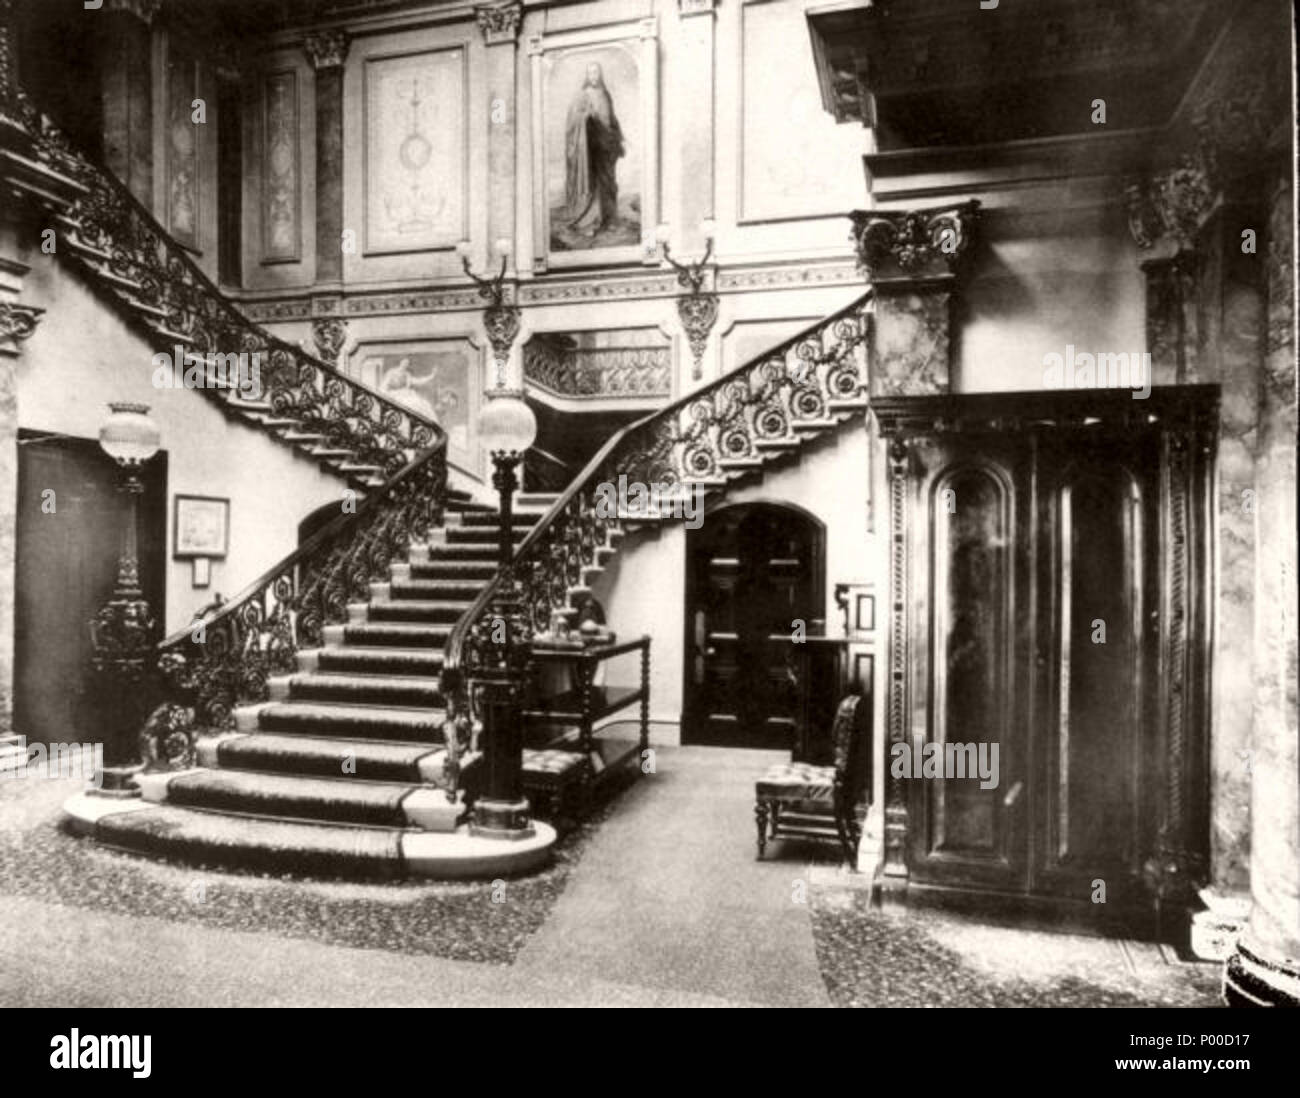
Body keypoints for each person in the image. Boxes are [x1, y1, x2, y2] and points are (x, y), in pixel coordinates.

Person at [564, 62, 624, 237]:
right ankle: (591, 220)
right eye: (590, 73)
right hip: (591, 145)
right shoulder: (582, 96)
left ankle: (609, 219)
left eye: (596, 72)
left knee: (609, 182)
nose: (594, 76)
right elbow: (573, 121)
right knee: (594, 182)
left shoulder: (606, 95)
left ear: (601, 75)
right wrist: (585, 117)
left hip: (607, 144)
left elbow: (612, 119)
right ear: (587, 76)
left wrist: (618, 138)